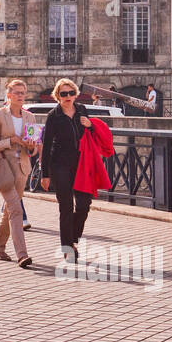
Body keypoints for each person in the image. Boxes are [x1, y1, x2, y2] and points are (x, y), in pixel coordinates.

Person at [40, 77, 95, 261]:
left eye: (71, 93)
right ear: (58, 96)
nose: (68, 96)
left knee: (84, 205)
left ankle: (71, 238)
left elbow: (93, 134)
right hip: (60, 165)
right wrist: (45, 174)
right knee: (65, 206)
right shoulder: (53, 116)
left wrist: (91, 125)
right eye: (63, 94)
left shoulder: (82, 110)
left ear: (75, 95)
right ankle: (67, 247)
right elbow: (46, 145)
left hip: (81, 164)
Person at [0, 78, 37, 268]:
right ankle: (22, 255)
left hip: (22, 169)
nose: (20, 96)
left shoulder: (29, 117)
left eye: (23, 93)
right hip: (4, 168)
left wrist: (31, 146)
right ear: (8, 95)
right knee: (16, 209)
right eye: (16, 92)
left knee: (10, 210)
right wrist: (12, 140)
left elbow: (33, 147)